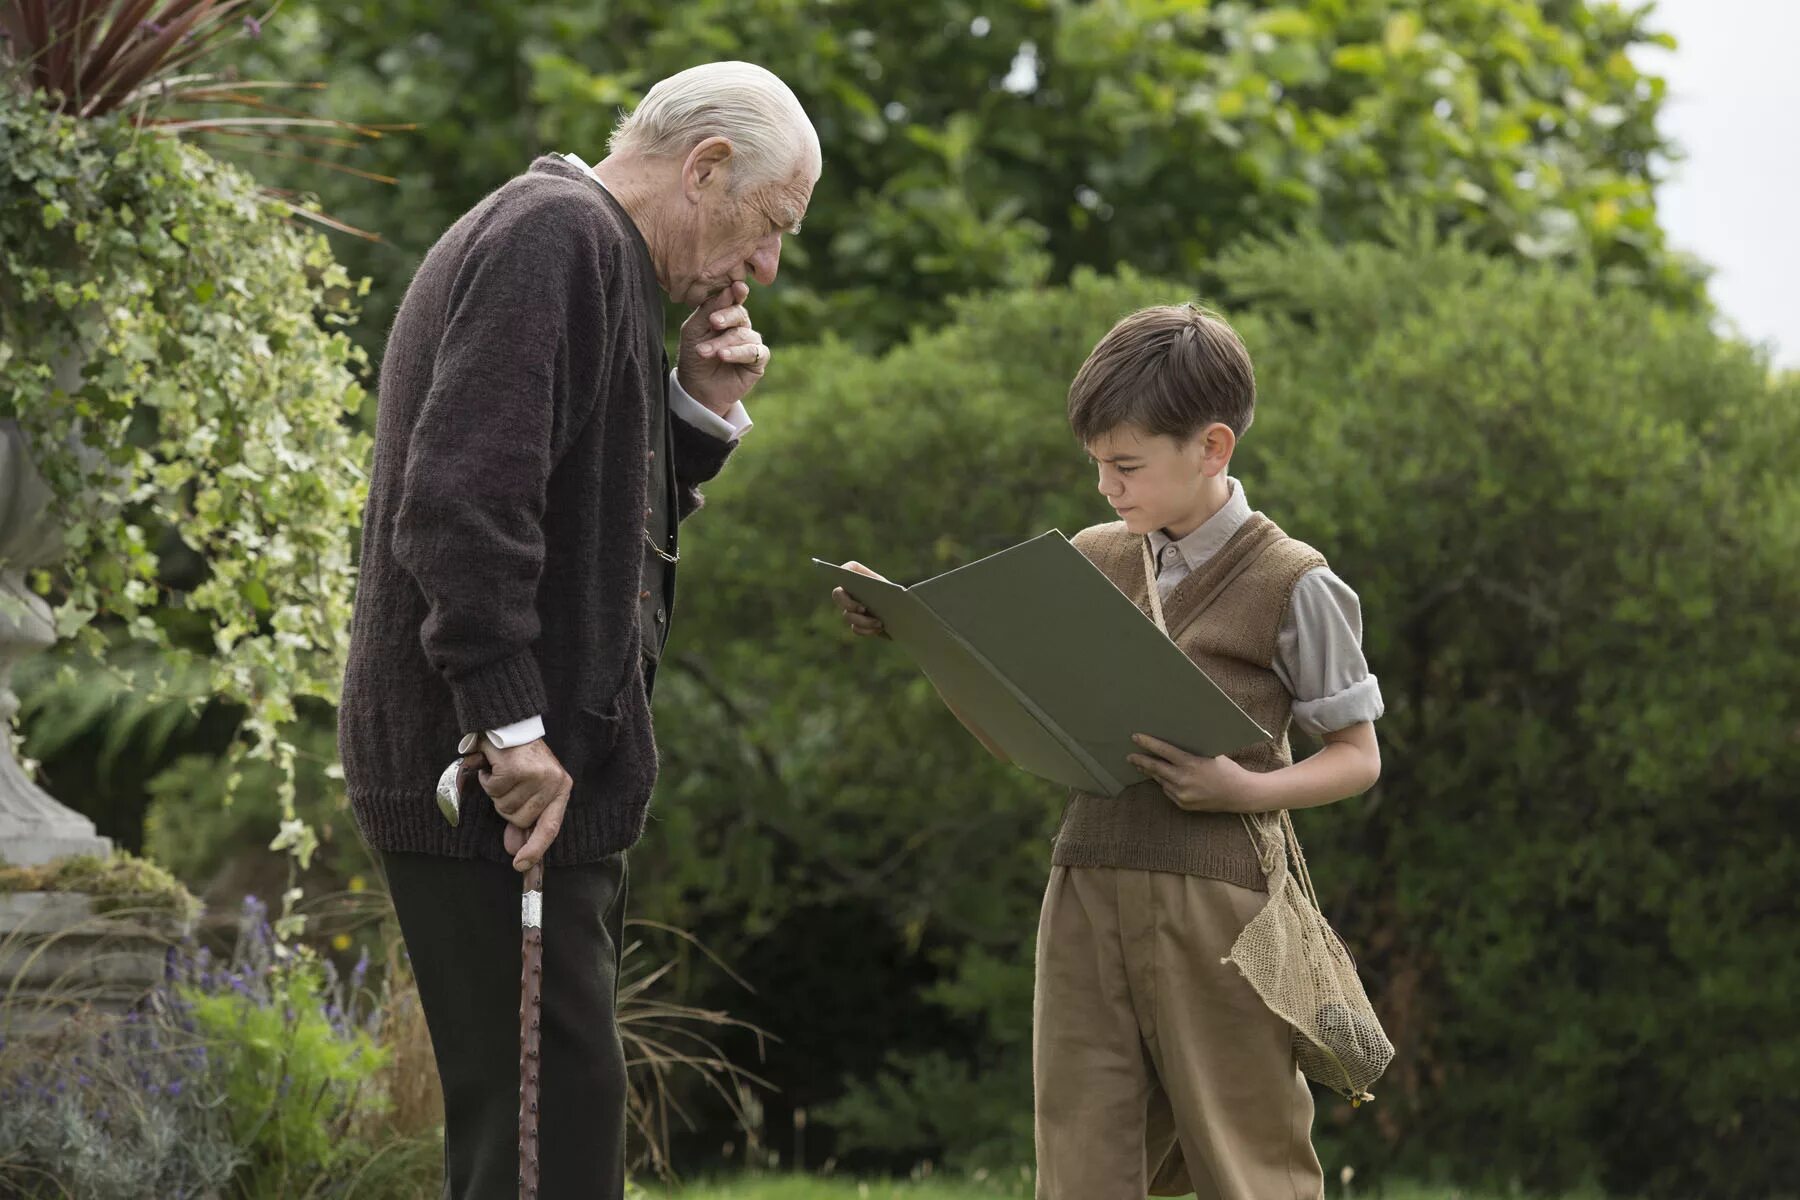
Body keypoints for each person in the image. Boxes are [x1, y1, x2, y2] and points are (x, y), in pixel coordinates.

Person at [339, 61, 819, 1198]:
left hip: (523, 776)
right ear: (704, 168)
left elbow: (590, 527)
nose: (767, 264)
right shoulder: (558, 239)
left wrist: (694, 410)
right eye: (770, 223)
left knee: (559, 1122)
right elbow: (459, 505)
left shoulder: (583, 249)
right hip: (500, 783)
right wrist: (510, 726)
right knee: (543, 1146)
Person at [832, 304, 1384, 1199]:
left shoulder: (1295, 580)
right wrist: (913, 631)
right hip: (1086, 881)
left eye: (1125, 466)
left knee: (1246, 1156)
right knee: (1084, 1154)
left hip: (1225, 907)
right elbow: (1021, 710)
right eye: (1097, 465)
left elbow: (1358, 757)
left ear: (1211, 448)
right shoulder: (1093, 557)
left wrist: (1239, 787)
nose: (1106, 489)